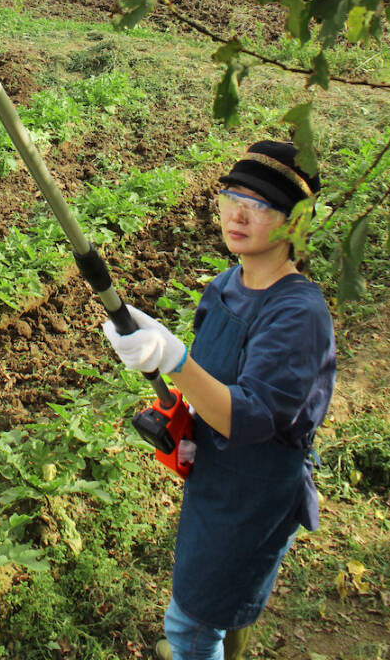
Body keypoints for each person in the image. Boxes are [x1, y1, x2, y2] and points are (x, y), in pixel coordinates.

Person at [103, 140, 336, 660]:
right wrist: (181, 415)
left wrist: (174, 359)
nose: (237, 213)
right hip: (215, 475)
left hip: (254, 491)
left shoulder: (298, 315)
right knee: (211, 603)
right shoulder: (227, 286)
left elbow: (249, 416)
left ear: (294, 224)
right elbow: (209, 384)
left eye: (259, 205)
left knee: (193, 618)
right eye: (231, 195)